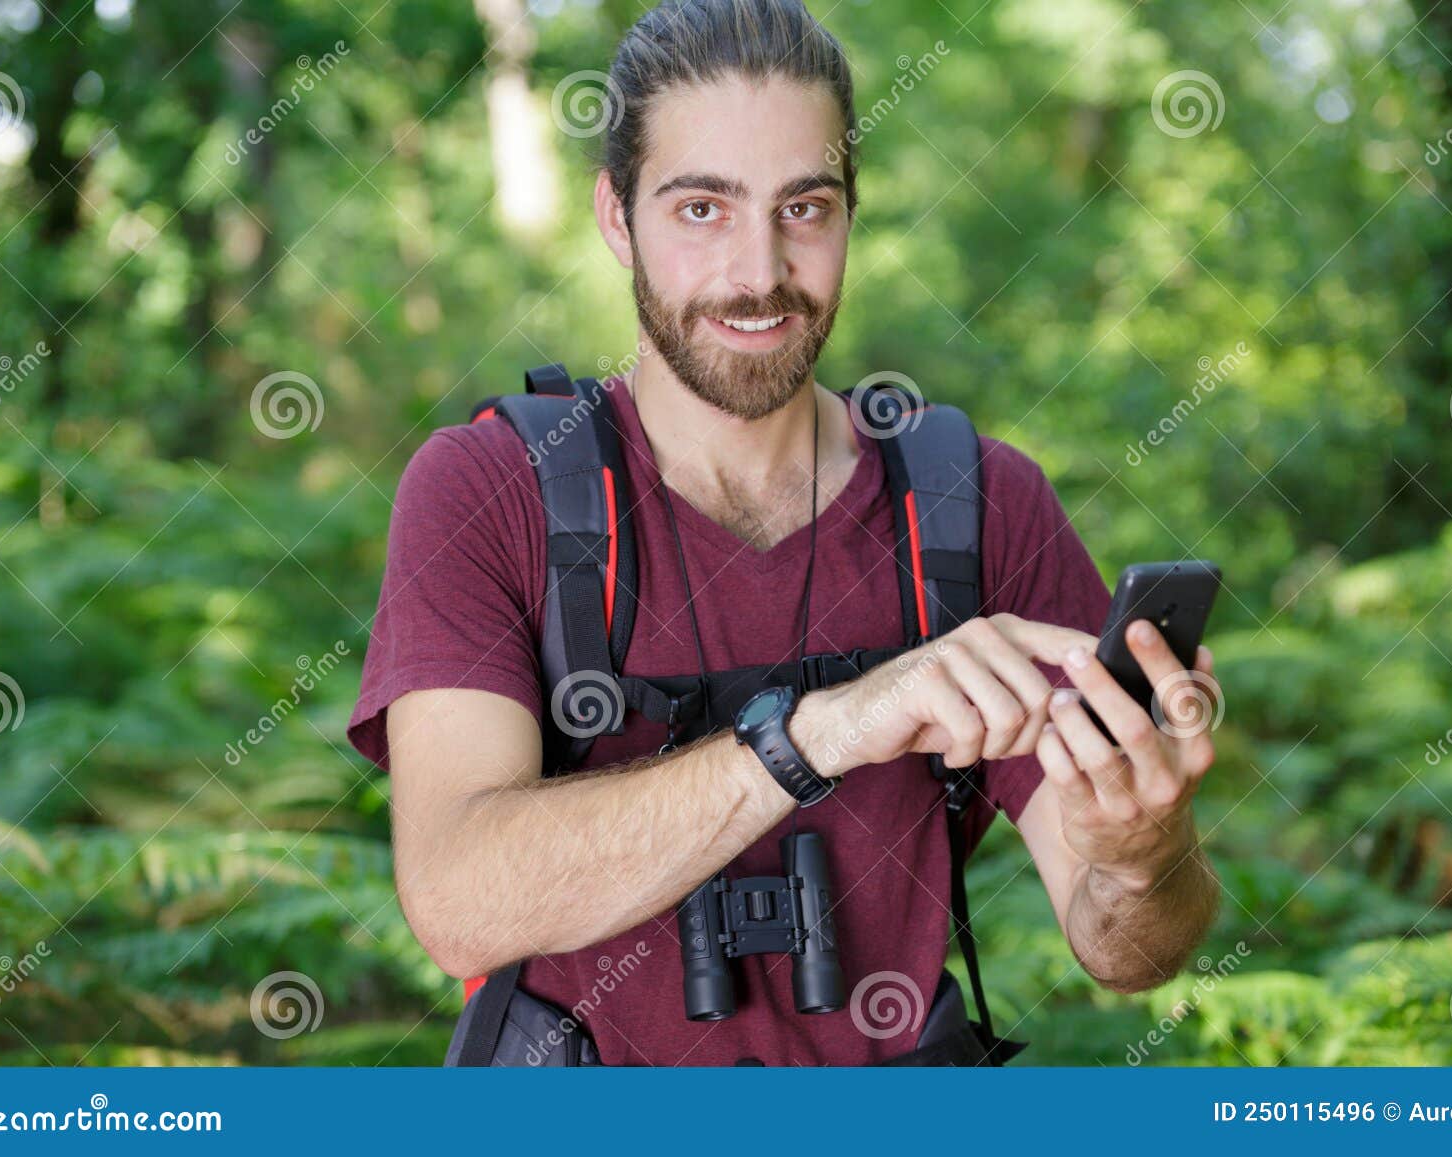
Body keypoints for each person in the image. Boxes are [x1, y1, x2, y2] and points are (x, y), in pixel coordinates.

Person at [347, 0, 1221, 1066]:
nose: (759, 272)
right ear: (616, 217)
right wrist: (824, 730)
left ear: (851, 211)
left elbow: (1126, 950)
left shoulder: (973, 504)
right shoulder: (494, 489)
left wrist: (1144, 853)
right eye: (702, 209)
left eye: (802, 207)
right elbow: (459, 901)